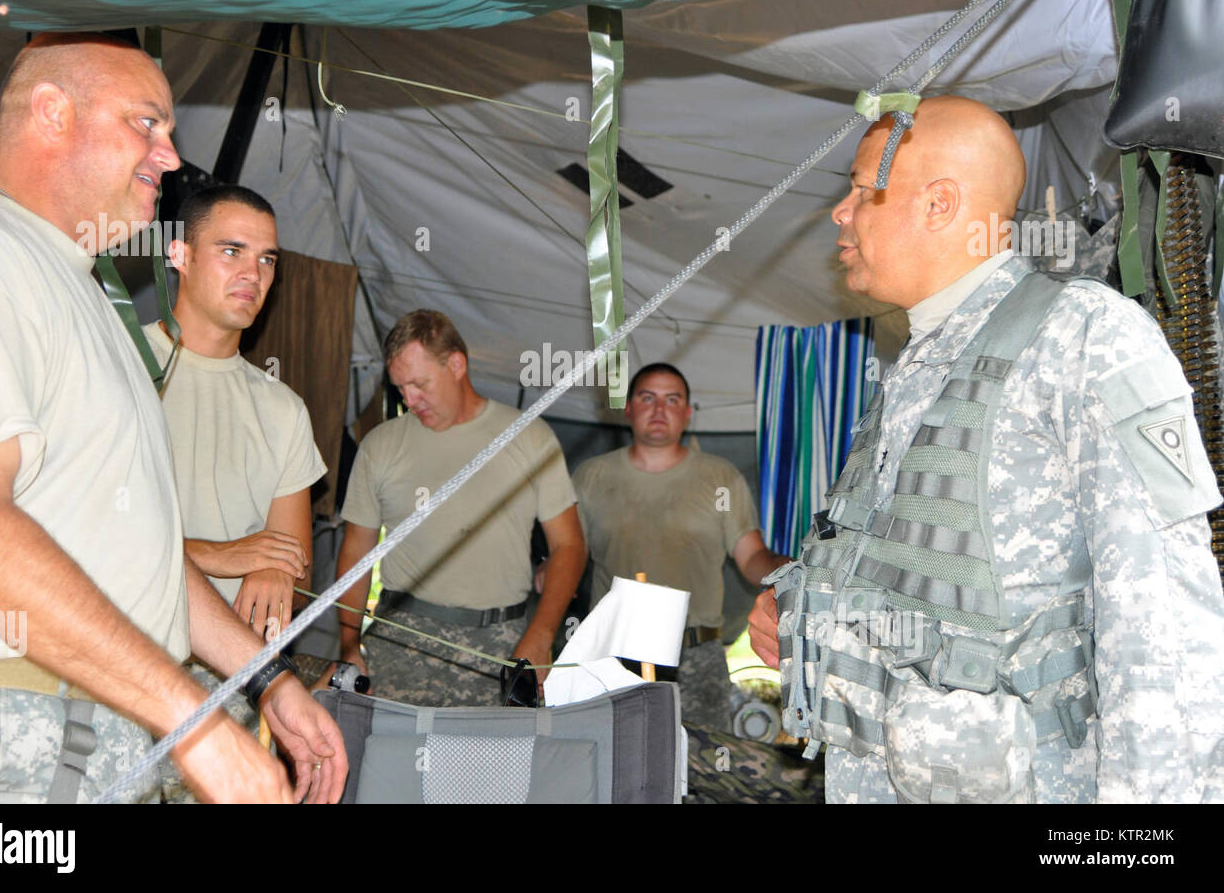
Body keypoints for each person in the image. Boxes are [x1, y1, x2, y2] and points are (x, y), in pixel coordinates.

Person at [748, 95, 1224, 803]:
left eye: (859, 191)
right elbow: (917, 584)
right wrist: (806, 619)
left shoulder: (1085, 339)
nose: (839, 214)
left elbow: (1166, 634)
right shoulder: (913, 366)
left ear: (939, 204)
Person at [0, 33, 346, 804]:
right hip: (3, 735)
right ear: (52, 113)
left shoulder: (90, 305)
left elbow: (144, 558)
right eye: (146, 124)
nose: (169, 157)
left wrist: (267, 677)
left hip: (98, 734)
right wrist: (194, 719)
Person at [143, 183, 328, 801]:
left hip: (235, 687)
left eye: (268, 259)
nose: (254, 273)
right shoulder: (122, 361)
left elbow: (288, 559)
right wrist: (225, 554)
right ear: (180, 255)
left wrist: (275, 569)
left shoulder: (282, 409)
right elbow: (87, 539)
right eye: (232, 250)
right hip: (122, 672)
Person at [331, 309, 586, 706]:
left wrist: (540, 636)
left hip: (501, 647)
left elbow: (569, 546)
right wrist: (349, 643)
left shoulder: (529, 438)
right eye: (400, 389)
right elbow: (356, 551)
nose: (409, 400)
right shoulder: (380, 446)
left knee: (494, 766)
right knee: (394, 764)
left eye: (419, 384)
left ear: (455, 364)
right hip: (400, 644)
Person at [573, 363, 788, 728]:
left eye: (672, 400)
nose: (660, 410)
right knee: (612, 768)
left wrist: (791, 572)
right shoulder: (591, 477)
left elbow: (751, 555)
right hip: (612, 655)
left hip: (696, 657)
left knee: (699, 773)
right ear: (628, 409)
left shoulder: (720, 478)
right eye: (647, 398)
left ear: (687, 414)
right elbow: (568, 553)